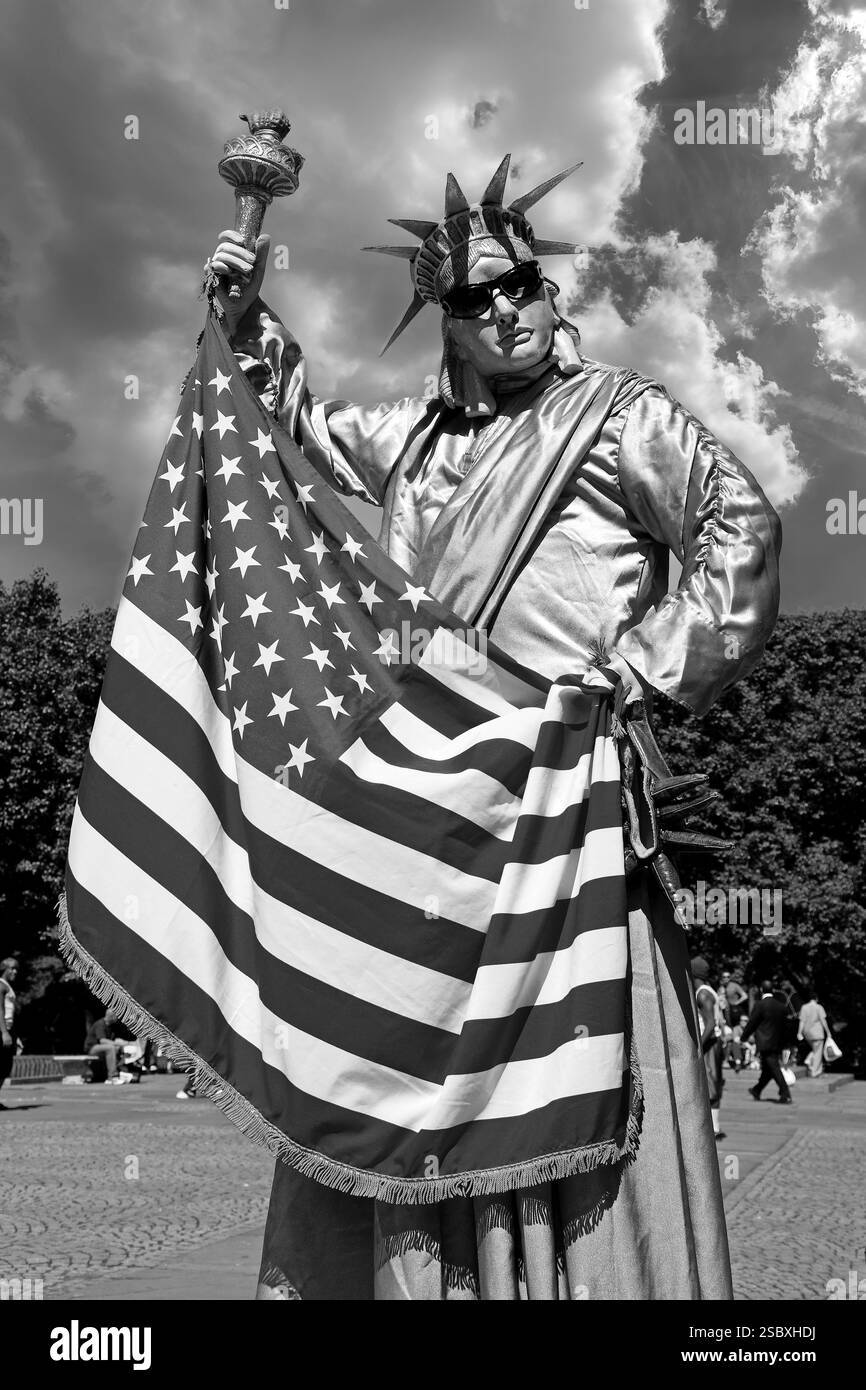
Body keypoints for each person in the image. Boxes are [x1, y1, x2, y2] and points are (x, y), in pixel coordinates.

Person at [206, 152, 782, 1301]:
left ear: (551, 293)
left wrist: (631, 676)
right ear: (446, 325)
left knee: (587, 1085)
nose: (506, 309)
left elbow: (740, 530)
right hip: (431, 823)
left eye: (521, 284)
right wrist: (243, 318)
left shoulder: (622, 418)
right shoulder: (412, 448)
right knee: (406, 1069)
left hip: (570, 813)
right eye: (475, 298)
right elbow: (294, 426)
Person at [741, 982, 792, 1104]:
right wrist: (786, 1043)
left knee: (773, 1067)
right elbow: (786, 1027)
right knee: (768, 1069)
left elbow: (752, 1023)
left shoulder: (760, 1005)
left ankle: (785, 1093)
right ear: (773, 990)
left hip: (764, 1042)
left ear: (761, 989)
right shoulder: (781, 1006)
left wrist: (744, 1037)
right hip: (777, 1042)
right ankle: (757, 1090)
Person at [691, 958, 725, 1140]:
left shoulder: (702, 995)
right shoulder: (707, 991)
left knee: (711, 1085)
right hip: (713, 1043)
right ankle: (714, 1127)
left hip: (709, 1044)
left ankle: (714, 1129)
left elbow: (710, 1024)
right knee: (712, 1083)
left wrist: (698, 1047)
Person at [84, 1011, 126, 1084]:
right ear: (112, 1017)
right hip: (92, 1048)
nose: (117, 1018)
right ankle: (111, 1077)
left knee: (115, 1048)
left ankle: (118, 1072)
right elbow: (102, 1040)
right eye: (116, 1016)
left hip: (100, 1048)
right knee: (111, 1048)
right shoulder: (100, 1024)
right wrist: (116, 1043)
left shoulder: (110, 1026)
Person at [0, 958, 19, 1109]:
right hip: (2, 1028)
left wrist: (15, 1036)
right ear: (4, 969)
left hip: (9, 1029)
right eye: (12, 969)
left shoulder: (7, 986)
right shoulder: (0, 985)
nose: (15, 972)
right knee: (2, 1065)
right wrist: (4, 1033)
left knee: (6, 1066)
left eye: (16, 969)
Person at [798, 988, 830, 1078]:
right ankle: (815, 1071)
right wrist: (828, 1032)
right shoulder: (819, 1007)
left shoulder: (804, 1007)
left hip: (807, 1033)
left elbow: (802, 1021)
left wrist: (799, 1032)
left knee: (815, 1050)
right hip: (817, 1033)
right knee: (818, 1052)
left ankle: (809, 1061)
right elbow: (823, 1021)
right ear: (816, 998)